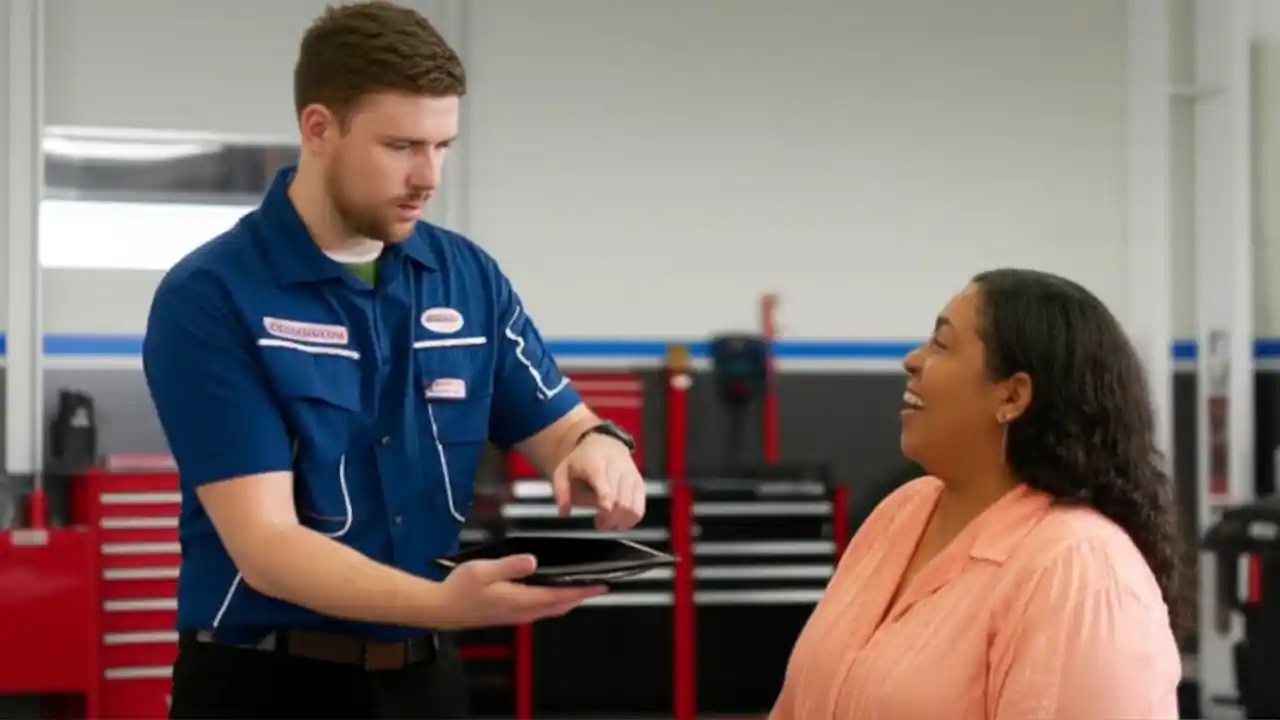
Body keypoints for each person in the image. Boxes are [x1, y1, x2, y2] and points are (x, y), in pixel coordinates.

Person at [141, 3, 647, 717]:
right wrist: (445, 603)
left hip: (423, 684)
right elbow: (267, 543)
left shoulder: (468, 279)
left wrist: (595, 448)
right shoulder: (213, 298)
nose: (428, 176)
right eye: (402, 145)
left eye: (443, 146)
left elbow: (561, 424)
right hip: (264, 686)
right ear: (318, 128)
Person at [769, 268, 1185, 719]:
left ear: (1012, 396)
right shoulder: (902, 511)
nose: (912, 359)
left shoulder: (1078, 568)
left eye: (942, 345)